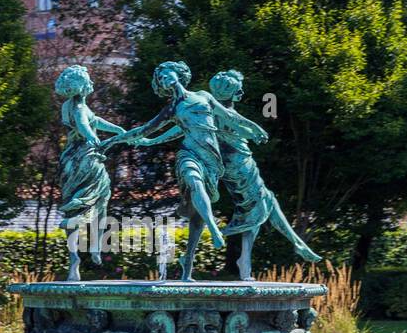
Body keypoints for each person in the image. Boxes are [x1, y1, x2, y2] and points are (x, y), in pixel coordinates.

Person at [109, 61, 225, 281]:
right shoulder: (171, 108)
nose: (165, 79)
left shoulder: (203, 96)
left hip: (210, 155)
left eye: (166, 74)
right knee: (193, 180)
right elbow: (144, 129)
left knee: (196, 219)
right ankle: (215, 229)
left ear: (179, 73)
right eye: (160, 79)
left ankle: (187, 266)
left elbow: (226, 118)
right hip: (188, 153)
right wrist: (116, 140)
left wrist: (251, 129)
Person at [206, 70, 321, 280]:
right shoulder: (221, 111)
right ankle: (295, 244)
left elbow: (238, 127)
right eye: (237, 89)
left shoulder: (210, 110)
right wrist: (256, 131)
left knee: (259, 208)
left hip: (236, 163)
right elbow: (239, 124)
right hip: (239, 165)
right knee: (263, 204)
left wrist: (143, 139)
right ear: (230, 91)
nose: (241, 92)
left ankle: (246, 262)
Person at [55, 65, 126, 281]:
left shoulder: (67, 105)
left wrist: (117, 130)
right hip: (87, 159)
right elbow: (85, 124)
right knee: (101, 198)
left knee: (72, 208)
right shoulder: (78, 107)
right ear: (84, 85)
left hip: (69, 159)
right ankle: (95, 245)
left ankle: (74, 257)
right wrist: (94, 139)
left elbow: (94, 121)